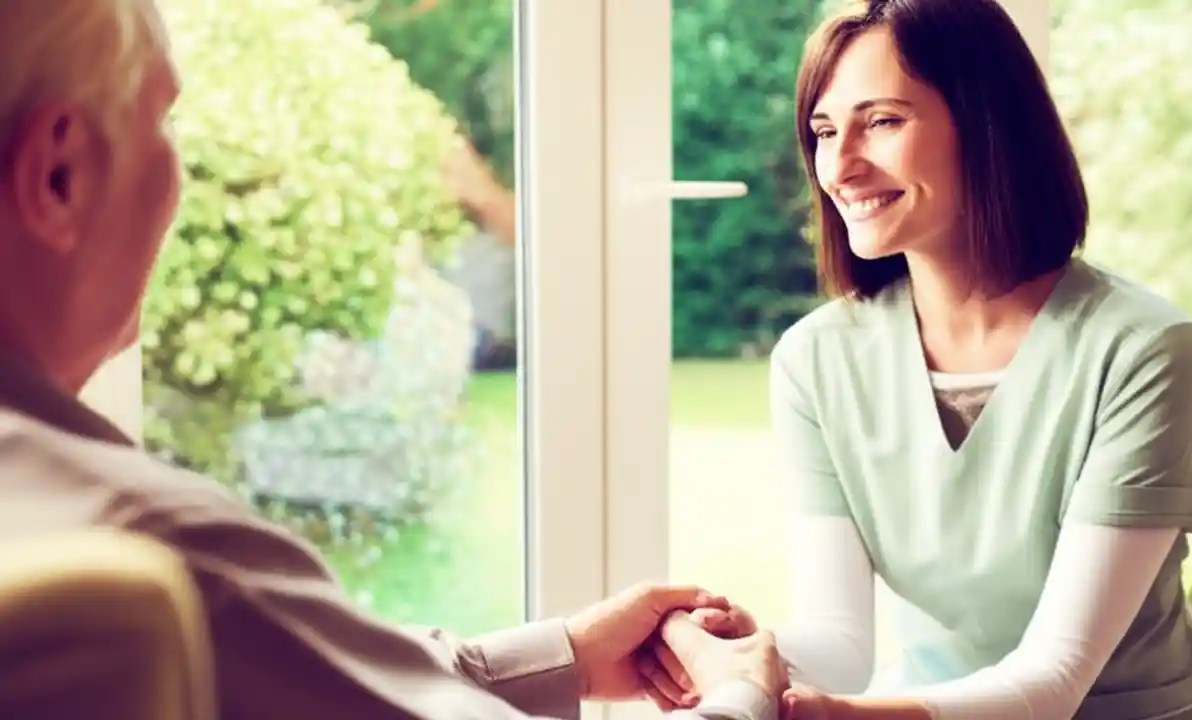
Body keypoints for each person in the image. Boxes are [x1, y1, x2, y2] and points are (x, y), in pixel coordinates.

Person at [0, 1, 787, 718]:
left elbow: (305, 683)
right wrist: (742, 695)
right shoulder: (156, 560)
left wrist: (564, 657)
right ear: (57, 176)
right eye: (163, 121)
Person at [642, 1, 1192, 718]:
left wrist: (847, 717)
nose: (841, 166)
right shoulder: (816, 361)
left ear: (988, 124)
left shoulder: (1141, 350)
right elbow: (841, 644)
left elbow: (1057, 676)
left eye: (882, 121)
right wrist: (749, 654)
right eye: (824, 131)